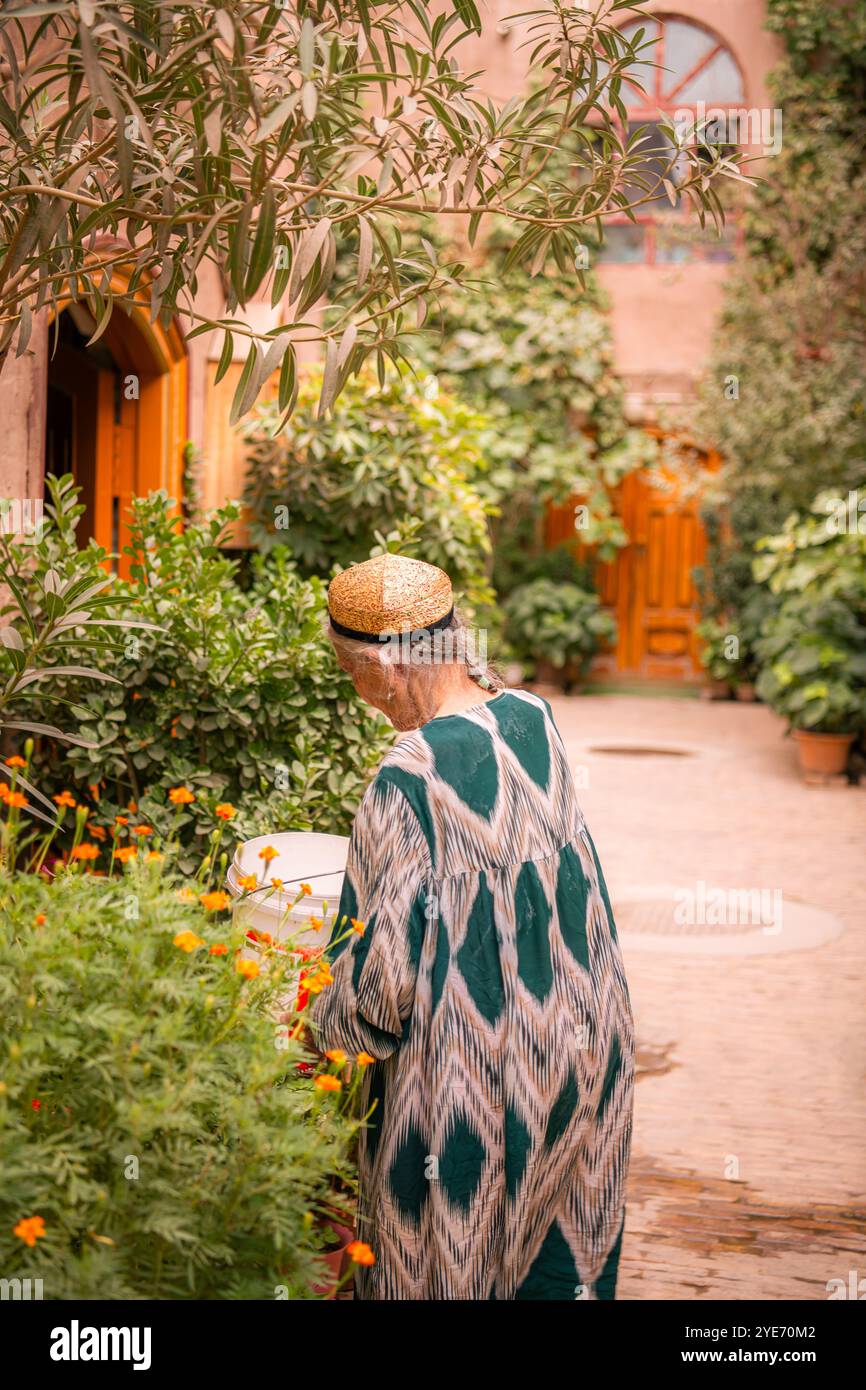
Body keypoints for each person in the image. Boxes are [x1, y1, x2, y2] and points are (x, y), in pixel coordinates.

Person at [311, 553, 634, 1300]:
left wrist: (313, 1030)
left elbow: (378, 992)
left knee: (439, 1267)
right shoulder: (532, 717)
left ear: (388, 664)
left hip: (475, 1081)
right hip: (581, 1049)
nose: (353, 690)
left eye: (346, 666)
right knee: (554, 1268)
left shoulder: (407, 778)